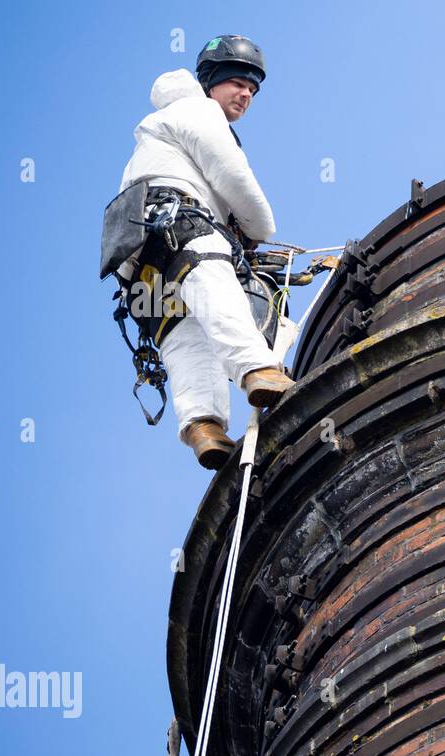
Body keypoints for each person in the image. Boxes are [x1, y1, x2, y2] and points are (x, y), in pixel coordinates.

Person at [116, 34, 294, 469]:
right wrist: (259, 229)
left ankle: (204, 426)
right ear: (210, 82)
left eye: (253, 88)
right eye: (238, 82)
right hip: (180, 226)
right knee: (218, 292)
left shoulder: (154, 136)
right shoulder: (196, 111)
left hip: (139, 263)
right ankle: (258, 370)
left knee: (184, 331)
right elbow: (233, 175)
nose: (246, 94)